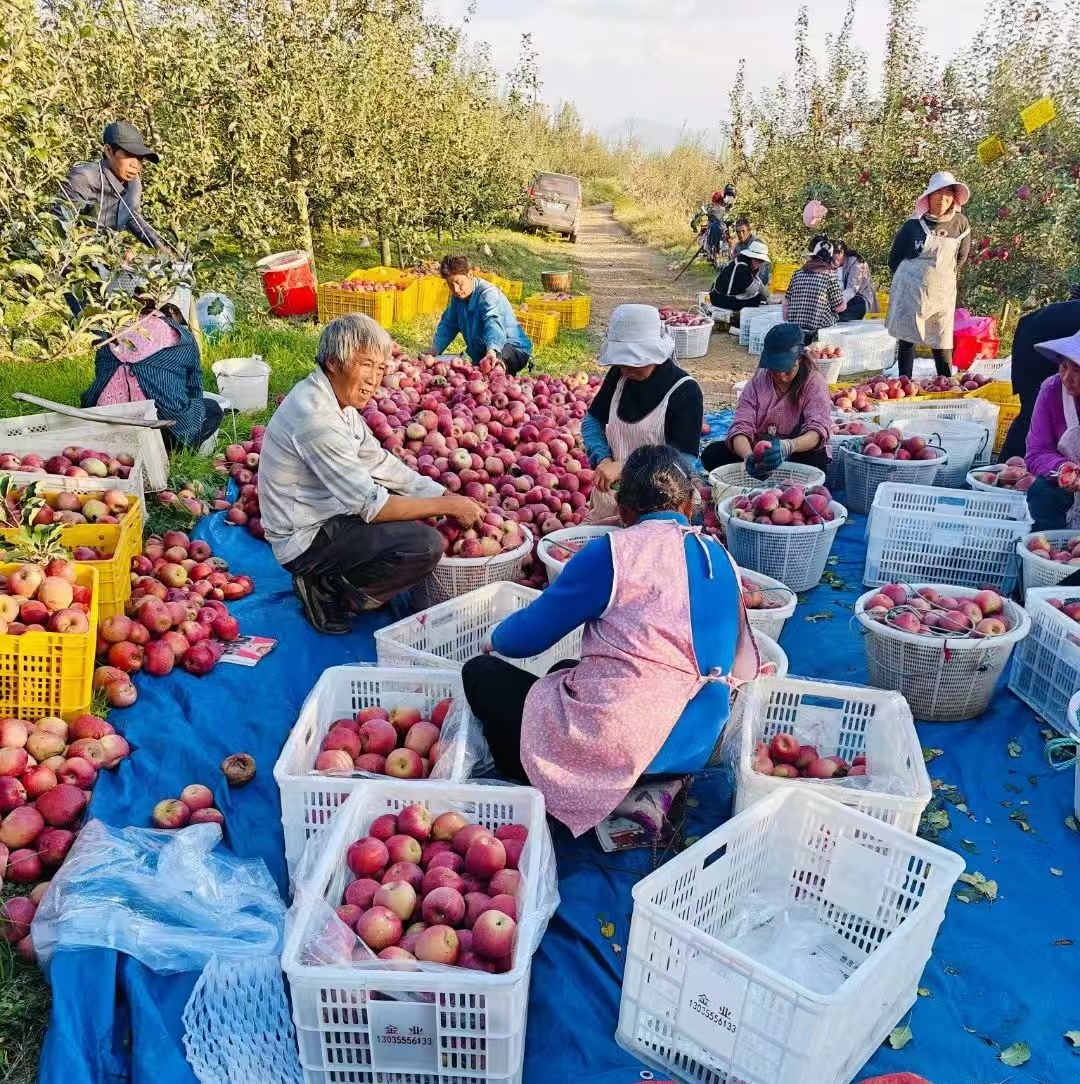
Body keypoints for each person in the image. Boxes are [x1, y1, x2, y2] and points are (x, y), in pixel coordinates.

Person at [460, 444, 760, 837]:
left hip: (633, 745)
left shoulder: (614, 553)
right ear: (688, 506)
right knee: (563, 672)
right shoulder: (717, 554)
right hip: (698, 741)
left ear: (623, 509)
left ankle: (575, 789)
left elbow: (526, 638)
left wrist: (494, 637)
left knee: (482, 674)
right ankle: (654, 787)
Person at [260, 314, 487, 634]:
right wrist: (449, 506)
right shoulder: (316, 419)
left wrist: (441, 494)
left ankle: (340, 579)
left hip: (329, 516)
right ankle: (325, 587)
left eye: (380, 369)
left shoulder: (338, 405)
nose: (374, 379)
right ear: (333, 362)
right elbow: (372, 506)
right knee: (424, 544)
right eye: (365, 364)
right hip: (304, 539)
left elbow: (379, 462)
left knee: (410, 512)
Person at [582, 304, 704, 520]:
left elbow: (684, 459)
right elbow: (592, 421)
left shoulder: (685, 390)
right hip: (615, 497)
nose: (624, 369)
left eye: (632, 363)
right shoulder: (619, 376)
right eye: (621, 362)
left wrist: (625, 466)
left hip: (663, 505)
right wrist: (603, 459)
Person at [81, 304, 222, 451]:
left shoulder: (111, 332)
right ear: (172, 311)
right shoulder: (182, 337)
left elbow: (101, 374)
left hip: (103, 422)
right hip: (157, 428)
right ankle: (176, 451)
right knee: (212, 408)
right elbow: (195, 387)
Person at [701, 322, 832, 475]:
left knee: (816, 460)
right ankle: (757, 472)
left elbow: (818, 430)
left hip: (795, 452)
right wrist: (748, 456)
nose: (781, 376)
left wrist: (788, 446)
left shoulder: (814, 383)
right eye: (775, 369)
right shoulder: (758, 383)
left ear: (800, 360)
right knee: (713, 454)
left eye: (787, 369)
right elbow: (741, 426)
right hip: (760, 453)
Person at [887, 170, 971, 378]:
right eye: (938, 193)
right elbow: (894, 260)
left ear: (954, 198)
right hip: (912, 289)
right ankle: (904, 381)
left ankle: (946, 382)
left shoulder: (960, 224)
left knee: (941, 337)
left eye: (948, 194)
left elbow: (960, 258)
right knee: (908, 337)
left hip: (942, 290)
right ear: (928, 197)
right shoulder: (912, 226)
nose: (943, 199)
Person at [56, 121, 172, 257]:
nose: (135, 165)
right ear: (109, 151)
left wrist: (163, 248)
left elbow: (131, 216)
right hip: (74, 260)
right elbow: (60, 225)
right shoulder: (84, 178)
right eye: (128, 155)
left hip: (109, 260)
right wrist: (112, 253)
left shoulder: (134, 182)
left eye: (140, 158)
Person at [1000, 285, 1080, 461]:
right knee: (1034, 406)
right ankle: (1010, 468)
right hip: (1047, 332)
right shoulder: (1053, 385)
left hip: (1049, 324)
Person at [426, 255, 532, 375]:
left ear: (470, 275)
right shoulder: (458, 298)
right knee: (473, 377)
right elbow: (449, 325)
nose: (455, 289)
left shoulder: (488, 295)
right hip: (483, 352)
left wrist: (492, 350)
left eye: (459, 283)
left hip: (512, 347)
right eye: (451, 285)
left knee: (494, 370)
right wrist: (435, 349)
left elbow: (493, 322)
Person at [1022, 330, 1080, 531]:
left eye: (1077, 370)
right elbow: (1037, 451)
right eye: (1063, 366)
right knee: (1041, 491)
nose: (1067, 377)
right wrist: (1063, 468)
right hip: (1067, 485)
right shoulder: (1052, 390)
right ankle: (1050, 549)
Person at [783, 238, 846, 341]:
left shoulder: (797, 273)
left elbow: (786, 302)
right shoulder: (830, 275)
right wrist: (844, 303)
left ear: (812, 257)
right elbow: (838, 307)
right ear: (829, 260)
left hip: (795, 329)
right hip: (818, 330)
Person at [709, 240, 771, 319]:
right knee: (756, 299)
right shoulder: (742, 268)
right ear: (752, 257)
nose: (760, 263)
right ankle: (734, 316)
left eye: (762, 261)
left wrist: (767, 296)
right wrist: (755, 275)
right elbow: (753, 290)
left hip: (716, 295)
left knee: (758, 296)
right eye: (759, 260)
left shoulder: (740, 260)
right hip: (721, 299)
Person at [833, 239, 879, 322]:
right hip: (842, 299)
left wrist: (839, 301)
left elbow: (852, 288)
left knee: (851, 308)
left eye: (835, 256)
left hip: (860, 298)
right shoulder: (832, 263)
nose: (833, 260)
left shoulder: (857, 262)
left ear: (842, 252)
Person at [732, 218, 772, 288]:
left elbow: (762, 270)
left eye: (743, 231)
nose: (741, 234)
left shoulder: (756, 243)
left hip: (758, 282)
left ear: (749, 230)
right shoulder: (738, 245)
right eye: (738, 232)